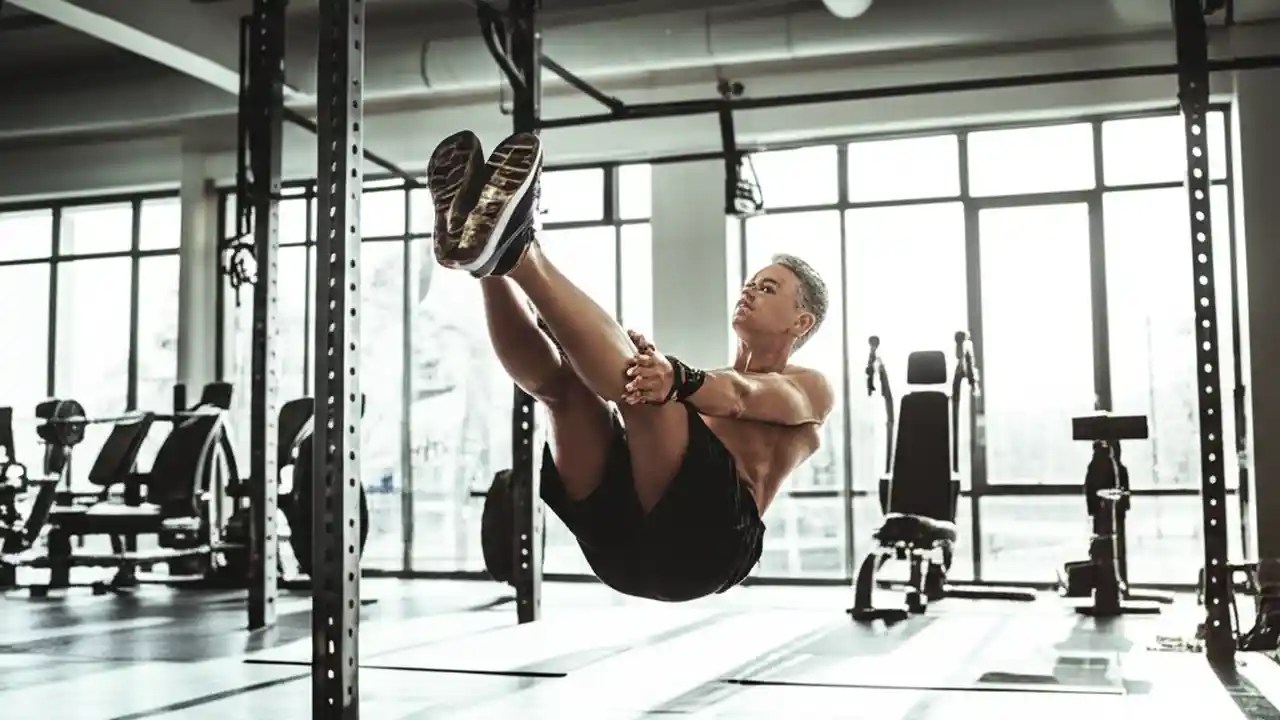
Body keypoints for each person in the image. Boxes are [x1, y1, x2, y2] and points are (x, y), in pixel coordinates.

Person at [427, 129, 834, 602]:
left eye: (768, 289)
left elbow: (744, 397)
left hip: (707, 552)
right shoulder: (704, 387)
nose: (749, 291)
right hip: (619, 549)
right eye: (750, 283)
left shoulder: (810, 387)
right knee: (566, 393)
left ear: (801, 322)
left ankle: (518, 250)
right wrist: (646, 365)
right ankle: (485, 262)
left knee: (647, 390)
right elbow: (680, 414)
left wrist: (670, 376)